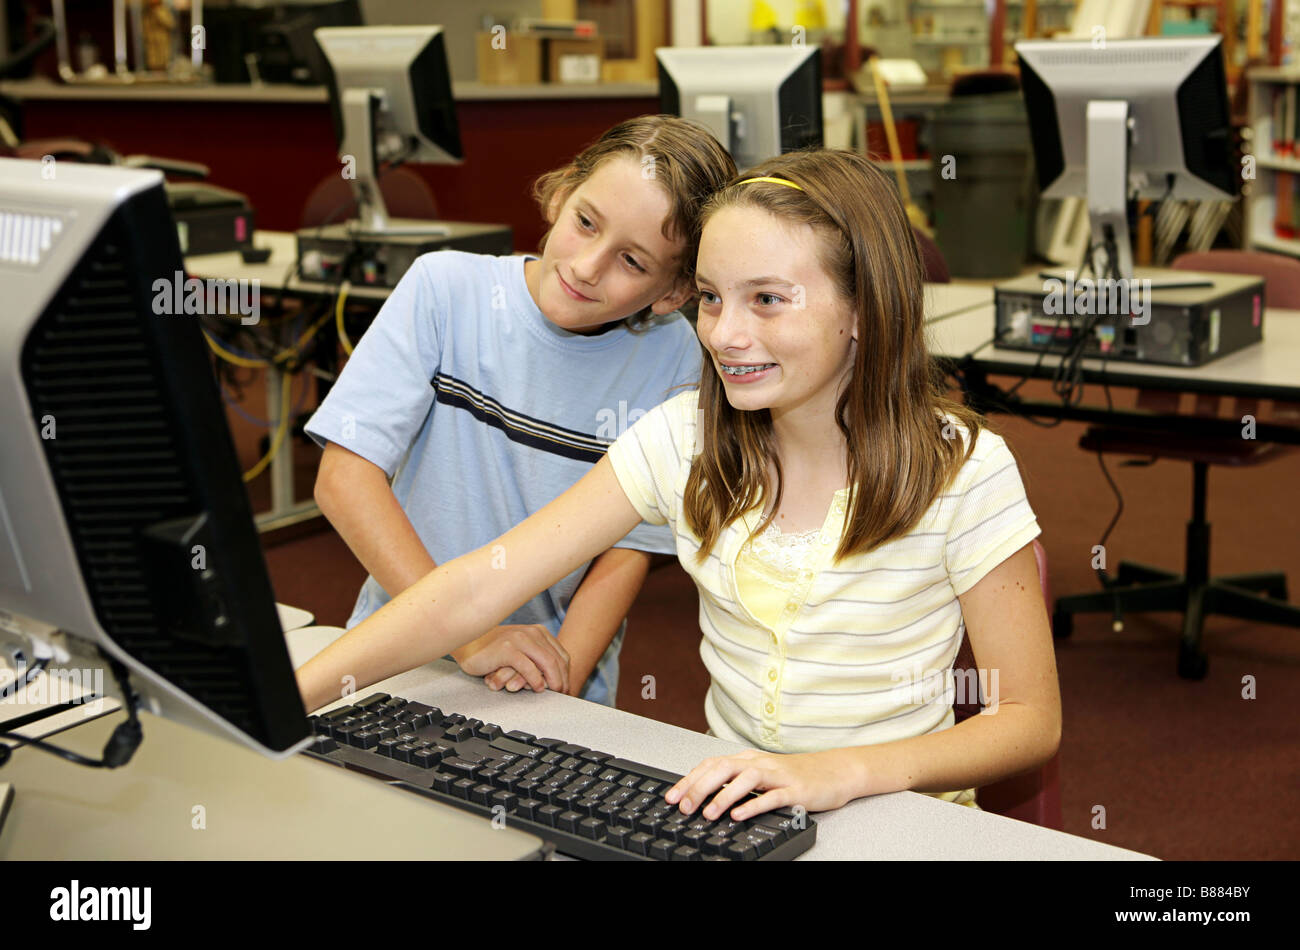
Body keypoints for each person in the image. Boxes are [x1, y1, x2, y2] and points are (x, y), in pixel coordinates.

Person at [296, 148, 1061, 822]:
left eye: (767, 299)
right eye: (711, 297)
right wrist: (285, 697)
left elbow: (1028, 719)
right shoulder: (683, 440)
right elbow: (474, 590)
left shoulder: (964, 468)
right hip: (736, 808)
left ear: (863, 307)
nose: (726, 333)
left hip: (906, 818)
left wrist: (843, 772)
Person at [305, 116, 736, 707]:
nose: (588, 266)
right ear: (560, 196)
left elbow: (631, 547)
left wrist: (560, 678)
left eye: (632, 261)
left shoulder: (674, 358)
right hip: (391, 653)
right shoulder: (444, 289)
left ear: (672, 294)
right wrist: (468, 636)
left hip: (545, 673)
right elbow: (344, 478)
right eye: (585, 223)